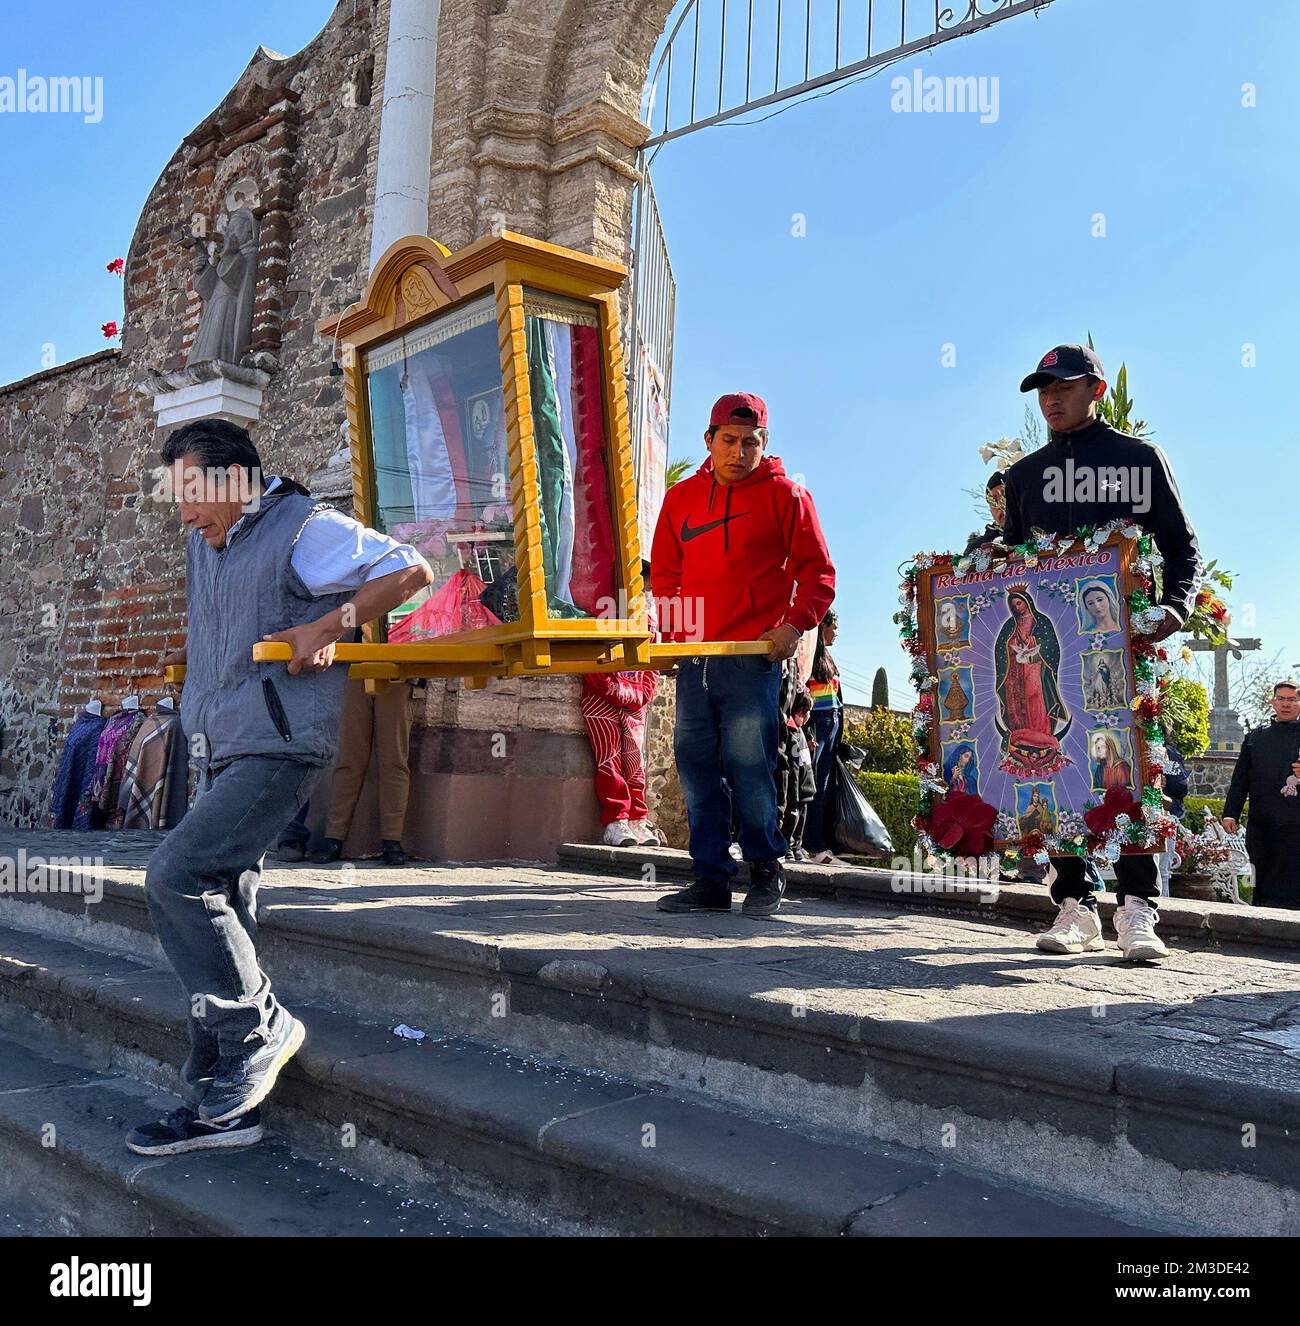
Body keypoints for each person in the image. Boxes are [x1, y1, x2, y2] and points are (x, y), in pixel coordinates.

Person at [127, 419, 432, 1156]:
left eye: (193, 496)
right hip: (222, 740)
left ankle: (258, 1033)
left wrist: (328, 626)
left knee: (178, 876)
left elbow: (411, 569)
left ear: (235, 480)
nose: (185, 515)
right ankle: (226, 1098)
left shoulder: (305, 526)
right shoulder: (207, 542)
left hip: (280, 742)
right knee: (223, 895)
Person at [1003, 344, 1201, 961]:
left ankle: (1138, 910)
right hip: (1051, 659)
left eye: (1063, 386)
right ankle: (1074, 904)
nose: (1052, 398)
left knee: (1132, 771)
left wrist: (1173, 607)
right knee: (1054, 764)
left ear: (1096, 390)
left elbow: (1180, 544)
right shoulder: (1023, 476)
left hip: (1125, 648)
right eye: (1043, 389)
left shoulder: (1137, 460)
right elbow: (1010, 566)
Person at [651, 392, 835, 918]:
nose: (738, 451)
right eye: (728, 440)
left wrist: (794, 626)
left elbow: (818, 574)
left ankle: (766, 873)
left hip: (752, 658)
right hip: (694, 659)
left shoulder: (788, 496)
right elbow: (665, 573)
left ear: (764, 443)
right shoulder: (680, 498)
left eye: (749, 442)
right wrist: (673, 633)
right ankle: (710, 879)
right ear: (708, 441)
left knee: (751, 765)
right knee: (696, 767)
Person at [1223, 681, 1300, 908]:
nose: (1286, 704)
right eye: (1281, 699)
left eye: (1292, 699)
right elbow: (1240, 779)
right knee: (1264, 882)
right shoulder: (1256, 738)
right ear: (1273, 701)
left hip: (1296, 827)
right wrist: (1230, 813)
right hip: (1263, 825)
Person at [581, 664, 660, 847]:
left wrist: (643, 692)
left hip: (636, 697)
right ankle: (616, 820)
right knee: (609, 759)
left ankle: (637, 818)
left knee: (636, 763)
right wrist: (613, 688)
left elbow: (655, 658)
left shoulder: (652, 633)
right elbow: (590, 655)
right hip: (600, 697)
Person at [803, 609, 844, 861]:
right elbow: (804, 699)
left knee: (825, 788)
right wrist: (808, 732)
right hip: (817, 727)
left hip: (831, 727)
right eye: (833, 627)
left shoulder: (828, 659)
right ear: (822, 627)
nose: (836, 633)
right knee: (812, 787)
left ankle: (819, 843)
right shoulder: (808, 658)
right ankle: (811, 845)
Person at [778, 688, 817, 861]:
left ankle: (796, 846)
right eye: (807, 712)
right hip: (798, 790)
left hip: (805, 788)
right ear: (799, 712)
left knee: (801, 818)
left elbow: (804, 761)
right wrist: (792, 795)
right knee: (793, 817)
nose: (808, 716)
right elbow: (793, 768)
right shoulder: (792, 734)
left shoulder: (800, 732)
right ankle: (787, 845)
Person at [964, 471, 1007, 554]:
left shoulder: (1035, 534)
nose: (999, 505)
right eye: (992, 501)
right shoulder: (977, 548)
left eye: (1004, 496)